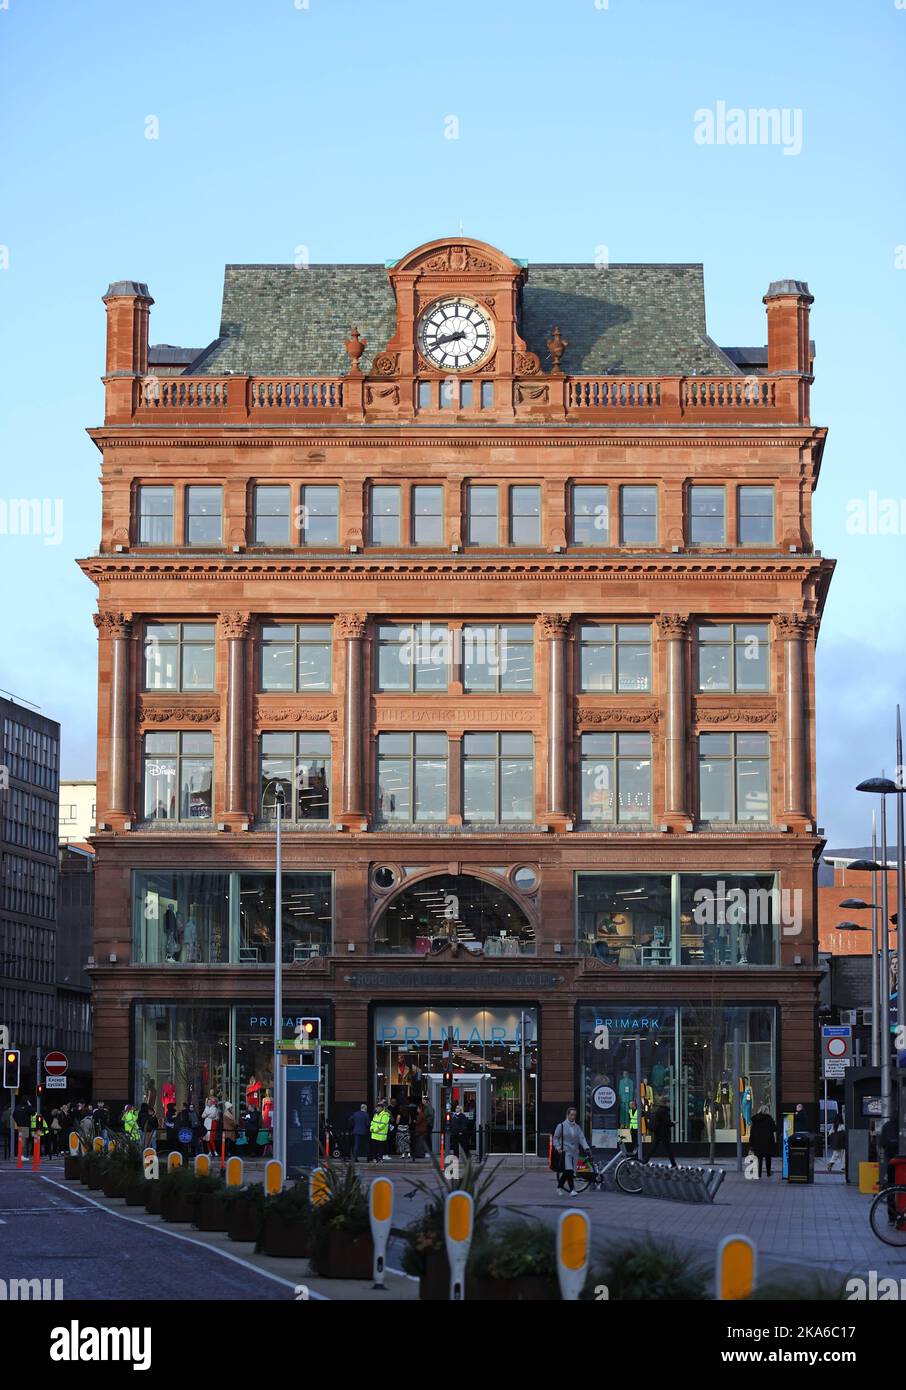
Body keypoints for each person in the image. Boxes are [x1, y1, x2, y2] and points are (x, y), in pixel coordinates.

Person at [552, 1106, 592, 1194]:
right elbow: (555, 1138)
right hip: (565, 1152)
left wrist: (586, 1148)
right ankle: (572, 1190)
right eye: (571, 1115)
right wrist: (558, 1148)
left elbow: (581, 1138)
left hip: (575, 1152)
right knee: (569, 1170)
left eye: (574, 1115)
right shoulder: (561, 1126)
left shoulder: (577, 1127)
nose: (573, 1117)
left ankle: (559, 1187)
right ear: (567, 1115)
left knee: (568, 1171)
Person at [747, 1103, 777, 1178]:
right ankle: (768, 1173)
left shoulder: (755, 1119)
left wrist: (751, 1143)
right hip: (768, 1142)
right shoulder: (769, 1119)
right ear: (767, 1111)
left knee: (759, 1159)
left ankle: (759, 1174)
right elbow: (774, 1129)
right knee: (768, 1159)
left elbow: (752, 1132)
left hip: (758, 1142)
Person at [647, 1101, 678, 1167]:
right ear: (666, 1103)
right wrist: (673, 1123)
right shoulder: (664, 1111)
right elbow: (666, 1123)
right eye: (669, 1103)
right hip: (663, 1133)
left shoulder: (659, 1110)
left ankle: (645, 1160)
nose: (670, 1104)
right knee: (668, 1149)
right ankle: (673, 1163)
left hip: (658, 1132)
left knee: (654, 1148)